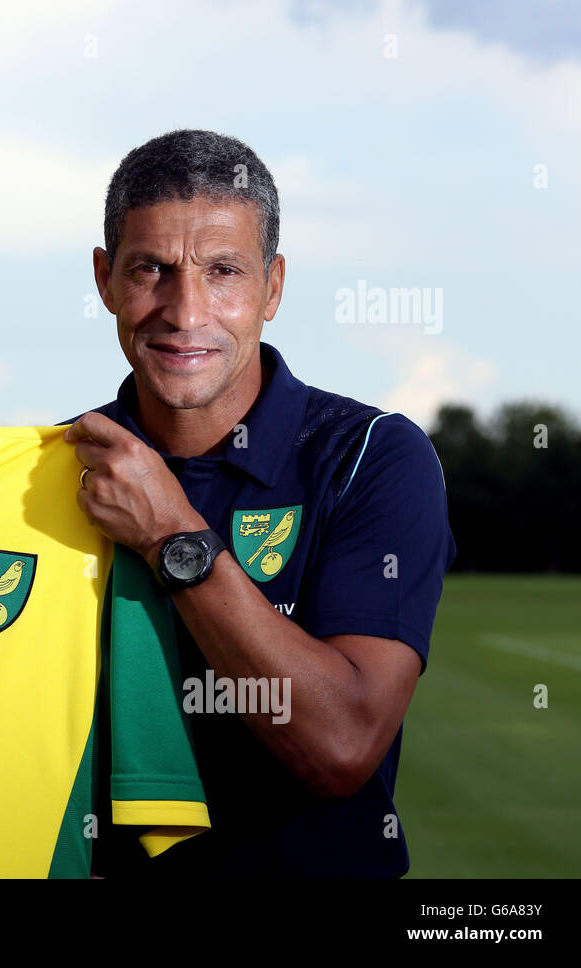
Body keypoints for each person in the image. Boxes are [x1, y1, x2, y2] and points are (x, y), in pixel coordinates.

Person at [66, 129, 455, 877]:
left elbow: (341, 745)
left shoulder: (371, 456)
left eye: (222, 272)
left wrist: (173, 537)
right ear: (105, 279)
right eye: (152, 269)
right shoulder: (58, 467)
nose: (185, 311)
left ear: (272, 288)